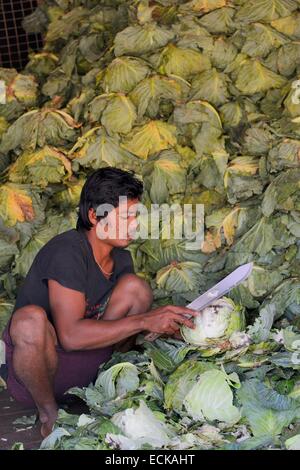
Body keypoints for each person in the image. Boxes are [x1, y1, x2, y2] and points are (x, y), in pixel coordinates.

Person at [1, 167, 197, 438]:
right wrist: (143, 320)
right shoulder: (67, 252)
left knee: (136, 288)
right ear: (94, 216)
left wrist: (158, 328)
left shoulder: (121, 259)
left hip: (89, 373)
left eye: (135, 216)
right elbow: (69, 337)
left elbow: (124, 328)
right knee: (28, 320)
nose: (134, 225)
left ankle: (109, 386)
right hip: (42, 375)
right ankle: (49, 416)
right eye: (125, 217)